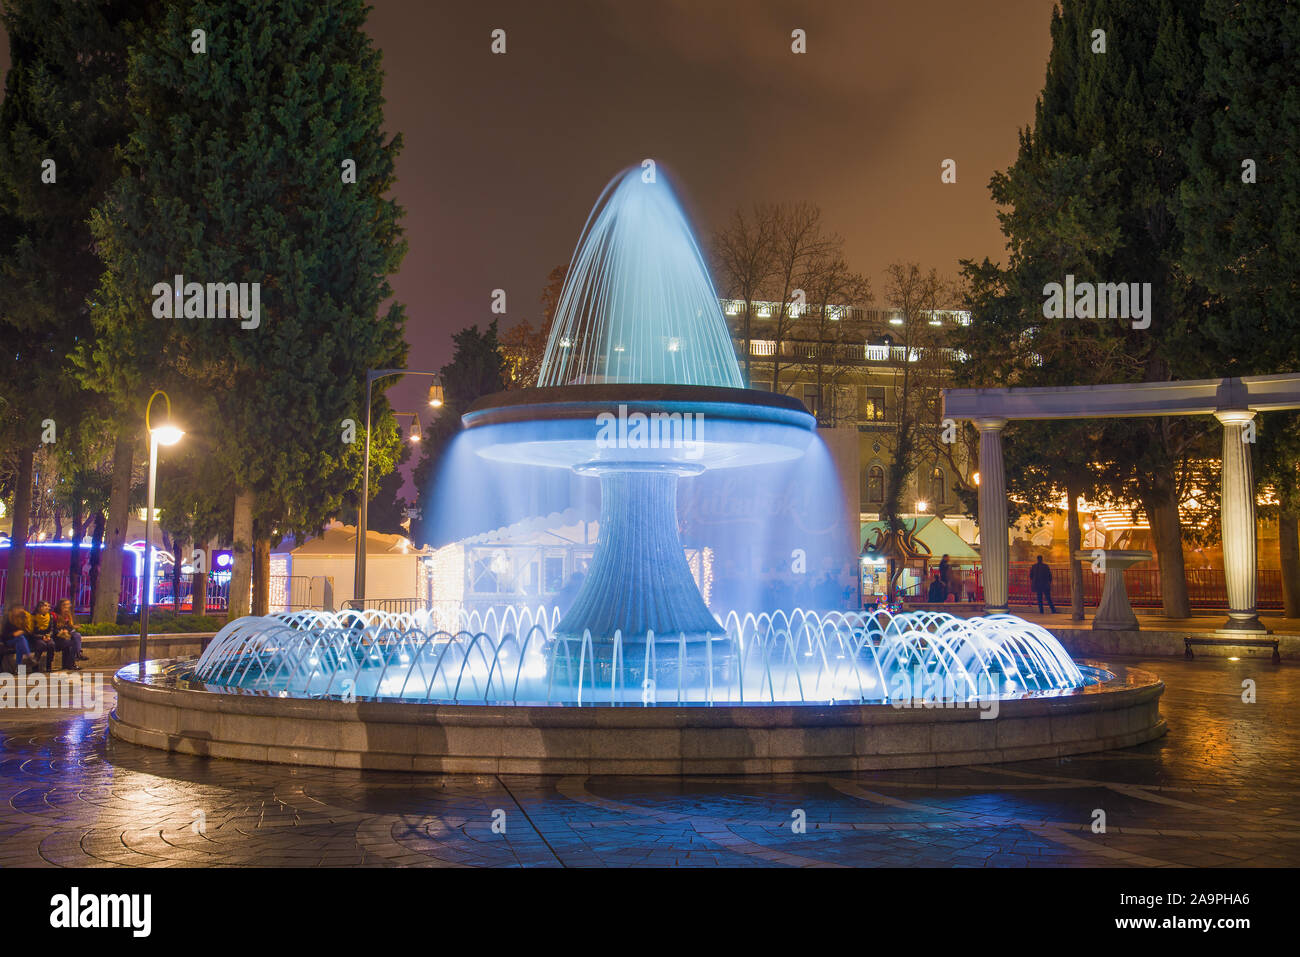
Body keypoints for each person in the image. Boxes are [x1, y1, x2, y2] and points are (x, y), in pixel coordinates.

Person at [0, 605, 41, 673]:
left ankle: (20, 668)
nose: (20, 610)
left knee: (20, 644)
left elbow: (28, 632)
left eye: (21, 609)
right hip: (9, 641)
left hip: (20, 641)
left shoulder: (24, 618)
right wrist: (13, 634)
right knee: (21, 639)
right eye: (18, 609)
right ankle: (28, 657)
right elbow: (4, 636)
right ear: (13, 610)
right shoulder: (9, 620)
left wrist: (22, 632)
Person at [52, 599, 85, 671]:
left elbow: (68, 627)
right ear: (61, 605)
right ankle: (77, 656)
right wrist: (62, 631)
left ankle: (77, 656)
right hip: (57, 638)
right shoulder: (54, 615)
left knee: (76, 635)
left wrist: (72, 627)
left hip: (65, 636)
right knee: (74, 642)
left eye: (69, 604)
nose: (69, 606)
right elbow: (53, 629)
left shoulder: (68, 615)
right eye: (67, 604)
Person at [26, 601, 57, 672]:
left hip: (47, 637)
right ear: (39, 607)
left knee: (51, 644)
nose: (48, 608)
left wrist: (49, 635)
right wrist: (42, 637)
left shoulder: (50, 616)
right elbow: (31, 632)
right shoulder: (33, 617)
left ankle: (49, 666)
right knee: (41, 644)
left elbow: (51, 629)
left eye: (48, 606)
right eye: (45, 606)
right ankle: (35, 665)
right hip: (36, 638)